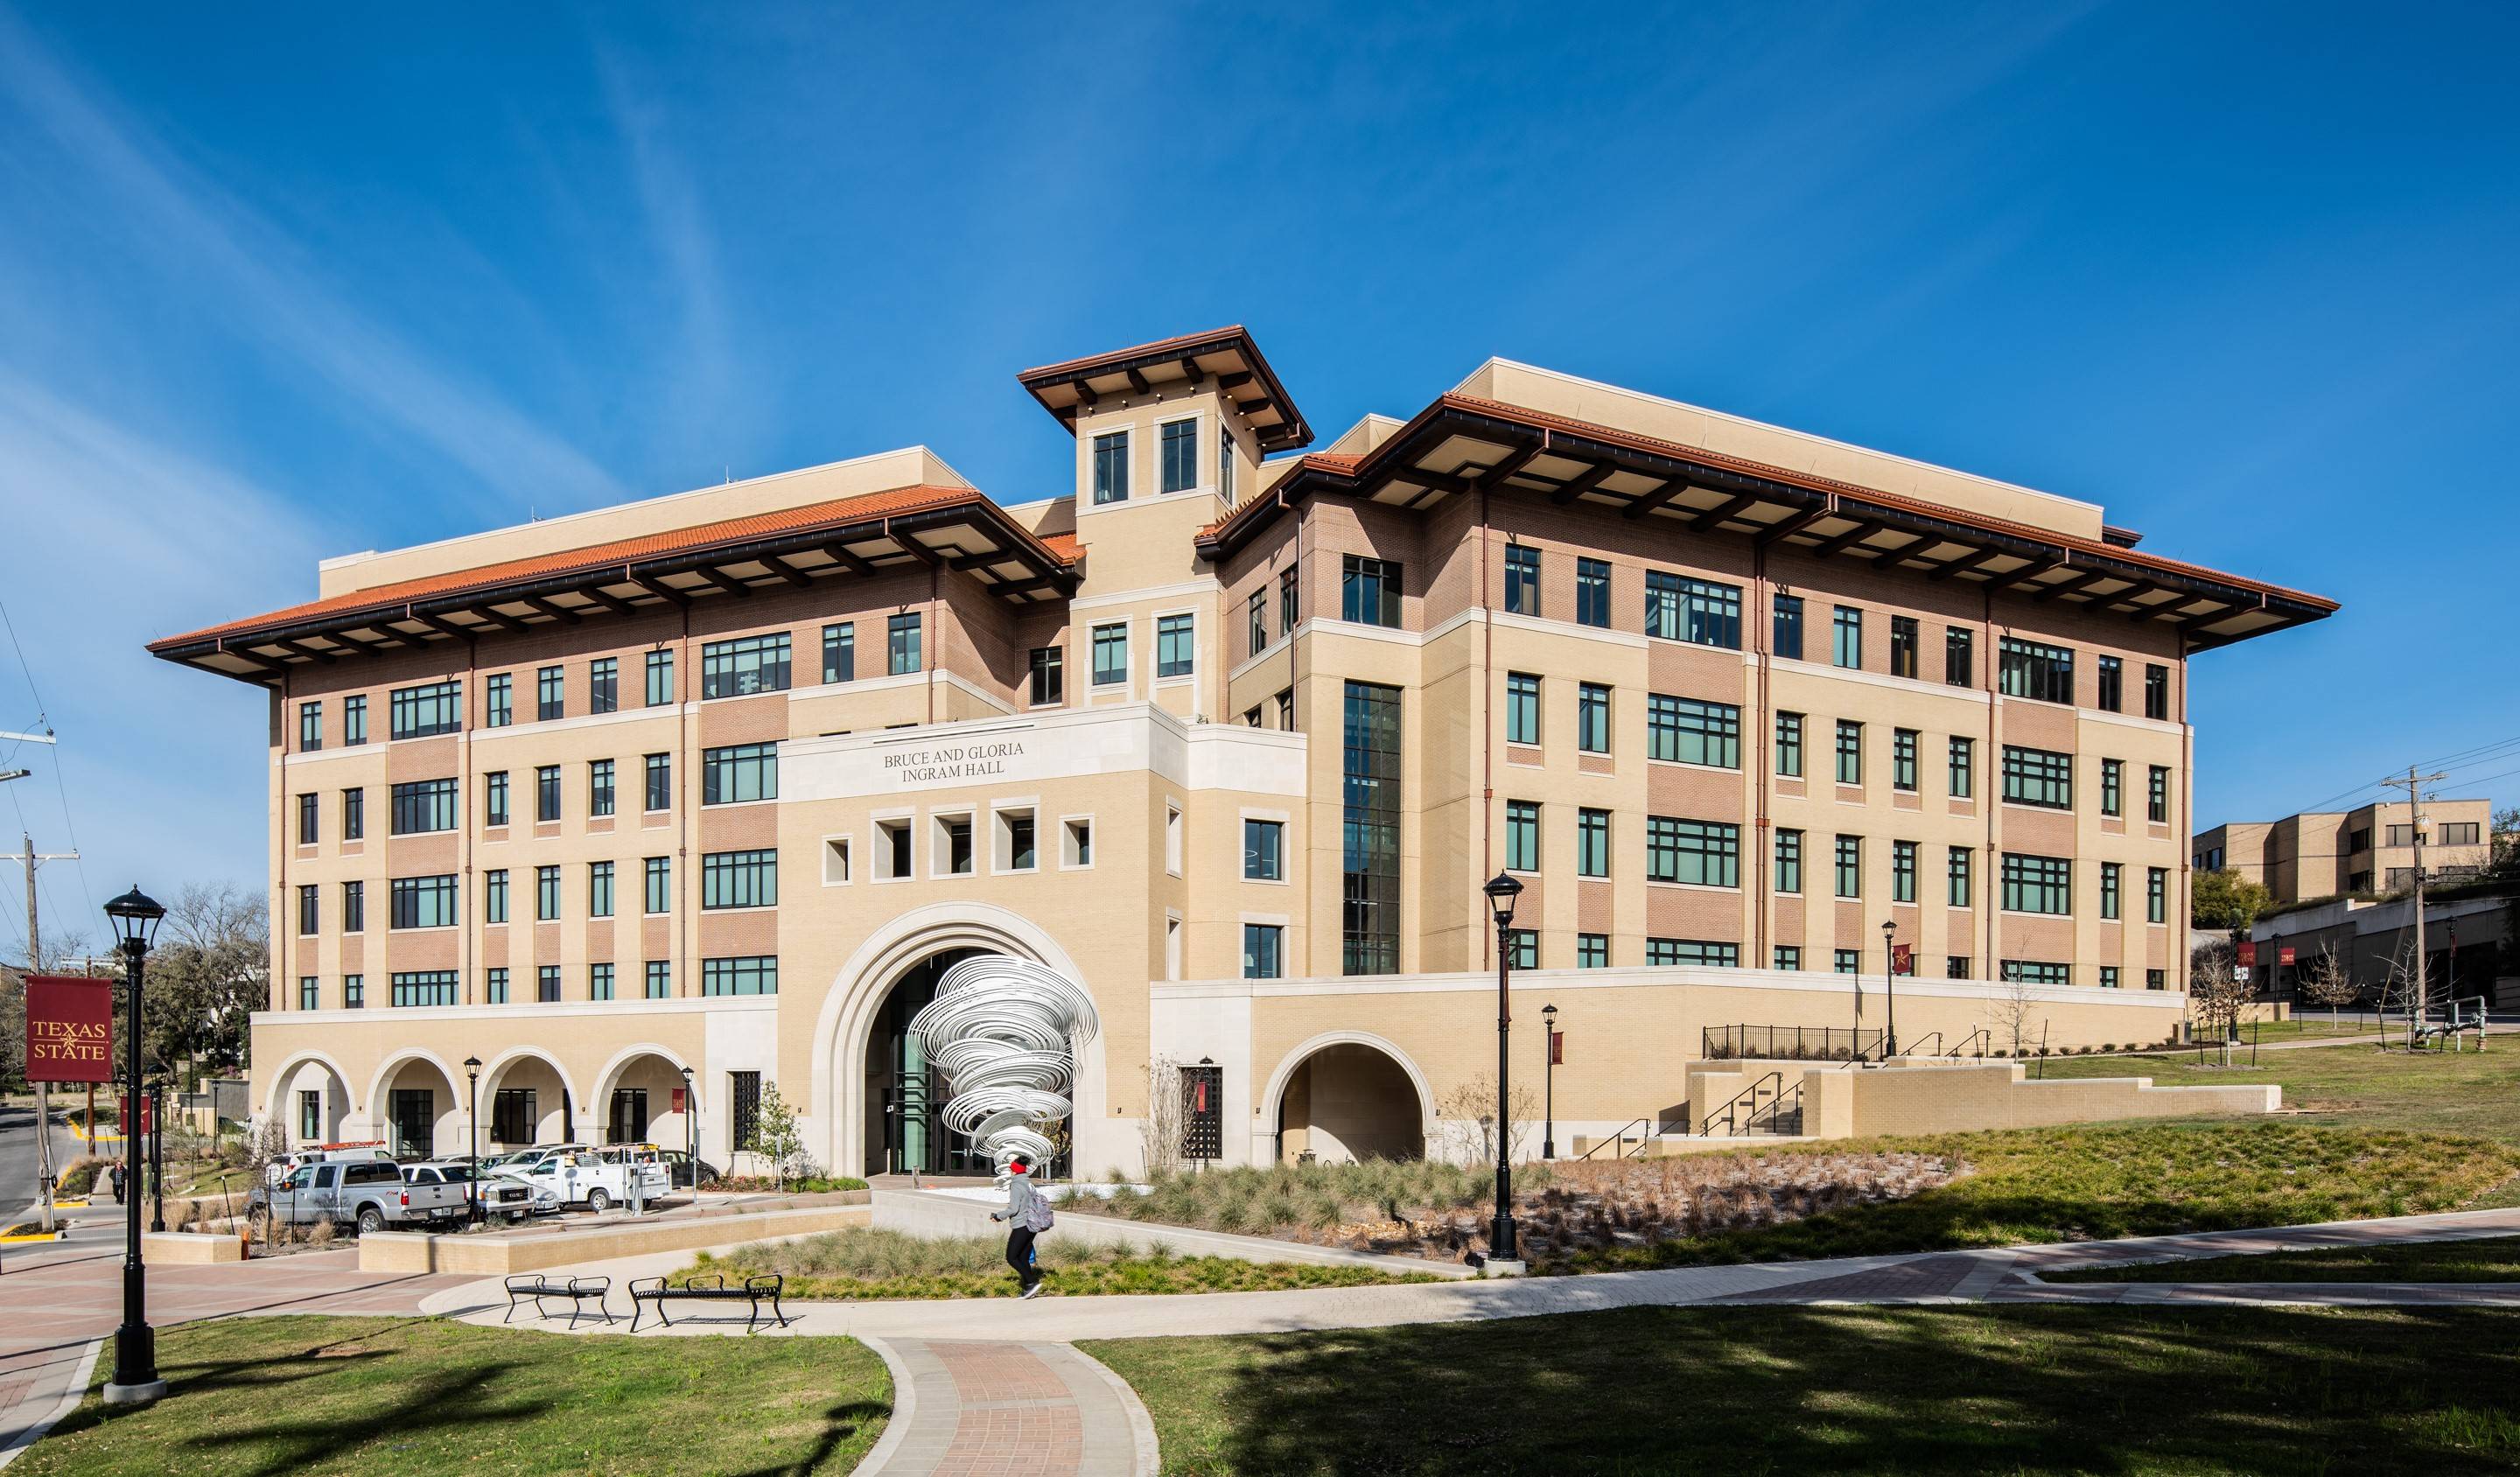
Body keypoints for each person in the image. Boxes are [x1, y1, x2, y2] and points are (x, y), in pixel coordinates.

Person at [988, 1158, 1054, 1299]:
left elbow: (1013, 1208)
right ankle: (1028, 1289)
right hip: (1033, 1225)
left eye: (1011, 1169)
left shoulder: (1017, 1185)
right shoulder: (1029, 1184)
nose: (1010, 1171)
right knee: (1023, 1257)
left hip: (1022, 1225)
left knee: (1011, 1257)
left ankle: (1031, 1283)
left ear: (1015, 1171)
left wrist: (999, 1216)